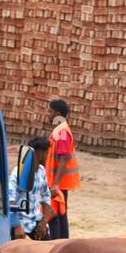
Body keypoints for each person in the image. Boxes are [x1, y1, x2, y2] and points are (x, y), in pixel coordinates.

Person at [45, 99, 80, 239]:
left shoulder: (62, 132)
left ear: (57, 114)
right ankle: (63, 242)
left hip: (59, 182)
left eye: (49, 111)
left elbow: (64, 157)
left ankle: (58, 243)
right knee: (60, 213)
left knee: (56, 214)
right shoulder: (60, 129)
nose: (47, 114)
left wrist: (56, 184)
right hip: (59, 182)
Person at [9, 137, 53, 239]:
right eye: (46, 153)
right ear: (39, 153)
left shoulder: (41, 171)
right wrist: (17, 226)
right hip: (20, 224)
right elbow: (10, 200)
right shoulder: (18, 173)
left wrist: (44, 221)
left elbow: (46, 197)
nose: (47, 157)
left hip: (36, 222)